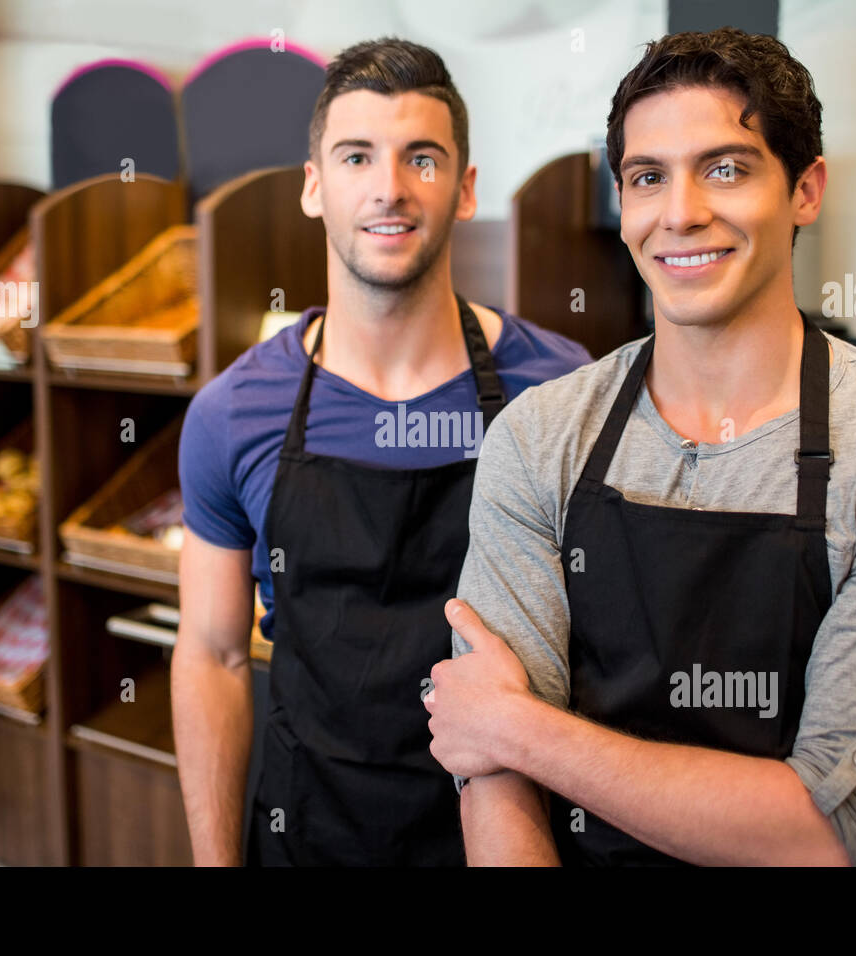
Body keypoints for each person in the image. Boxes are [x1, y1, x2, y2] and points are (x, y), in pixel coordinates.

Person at [423, 27, 856, 866]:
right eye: (647, 177)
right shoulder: (541, 435)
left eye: (725, 168)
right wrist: (505, 743)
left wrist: (524, 729)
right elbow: (493, 778)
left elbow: (838, 835)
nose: (681, 212)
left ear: (806, 190)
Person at [172, 37, 590, 866]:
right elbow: (214, 655)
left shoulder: (558, 391)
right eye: (357, 156)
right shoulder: (232, 413)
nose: (389, 189)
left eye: (422, 159)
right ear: (314, 187)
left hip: (499, 836)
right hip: (305, 832)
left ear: (464, 190)